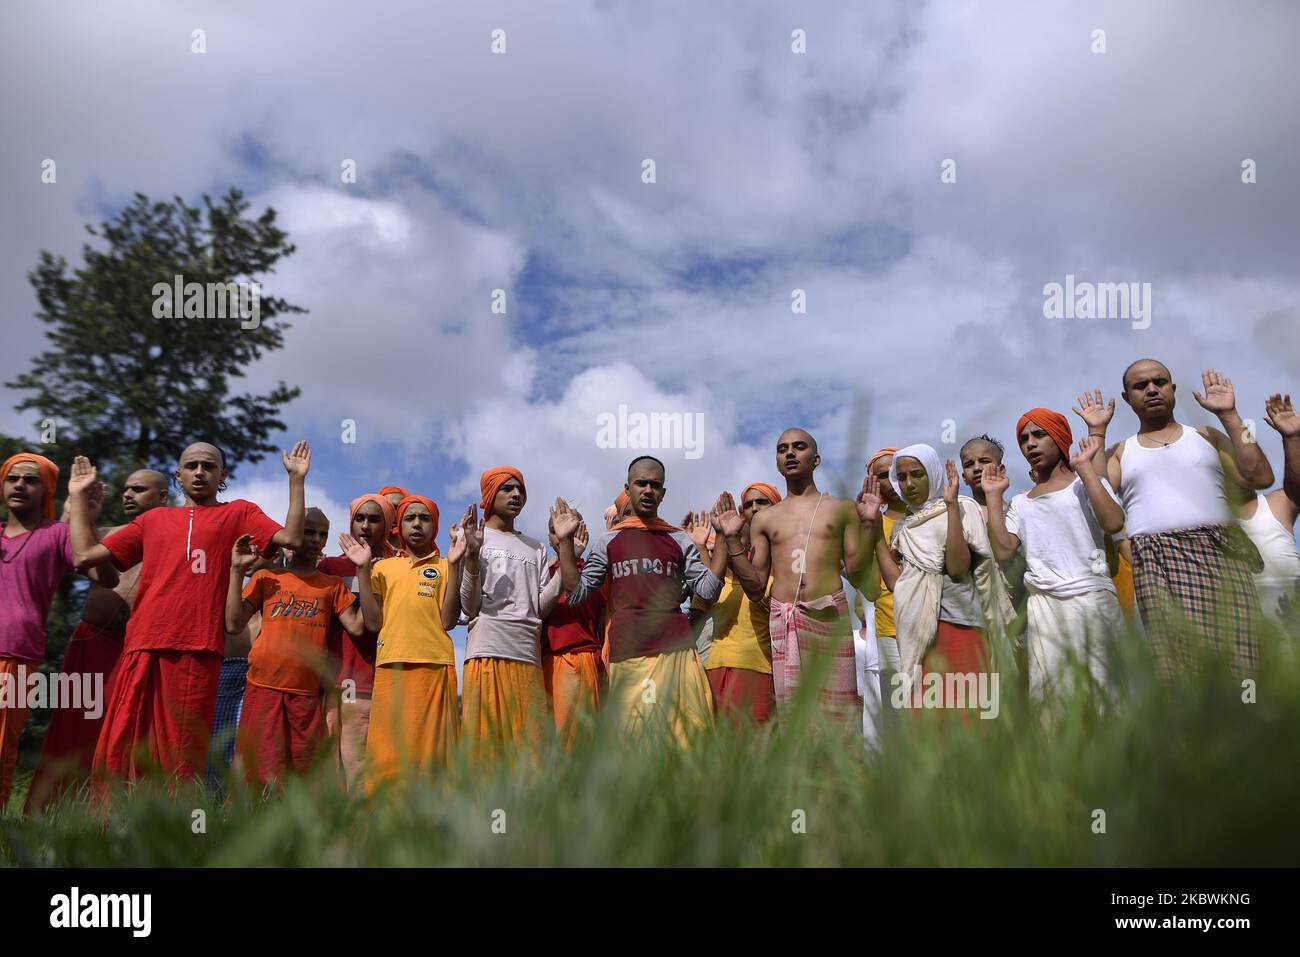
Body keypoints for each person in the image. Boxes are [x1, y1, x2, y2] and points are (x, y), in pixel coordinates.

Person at [66, 442, 308, 786]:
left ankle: (178, 830)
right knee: (124, 743)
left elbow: (293, 539)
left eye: (208, 466)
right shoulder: (152, 519)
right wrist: (78, 497)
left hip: (198, 647)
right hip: (142, 644)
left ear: (222, 475)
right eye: (191, 466)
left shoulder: (239, 512)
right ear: (177, 476)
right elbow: (84, 556)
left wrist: (296, 481)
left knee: (181, 751)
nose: (199, 472)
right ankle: (112, 829)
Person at [1105, 363, 1271, 678]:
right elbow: (1098, 507)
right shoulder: (1120, 452)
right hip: (1157, 563)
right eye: (1141, 386)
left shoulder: (1208, 436)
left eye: (1160, 382)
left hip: (1221, 556)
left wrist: (1230, 416)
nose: (1152, 389)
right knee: (1177, 667)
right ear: (1128, 398)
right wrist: (1096, 435)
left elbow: (1260, 476)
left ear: (1173, 389)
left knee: (1242, 658)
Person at [551, 456, 726, 747]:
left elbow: (707, 590)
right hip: (629, 656)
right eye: (641, 483)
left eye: (655, 485)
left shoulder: (678, 540)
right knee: (635, 743)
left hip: (677, 653)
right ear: (628, 488)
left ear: (663, 493)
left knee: (687, 741)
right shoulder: (608, 542)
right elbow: (577, 594)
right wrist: (566, 544)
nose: (647, 490)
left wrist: (722, 537)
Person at [718, 429, 880, 729]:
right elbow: (755, 588)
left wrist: (869, 524)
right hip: (785, 619)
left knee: (839, 717)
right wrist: (732, 541)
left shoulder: (841, 509)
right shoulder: (765, 519)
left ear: (816, 459)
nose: (790, 453)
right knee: (796, 721)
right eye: (782, 449)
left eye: (799, 447)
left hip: (829, 617)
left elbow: (858, 574)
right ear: (777, 462)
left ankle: (840, 777)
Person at [26, 469, 168, 811]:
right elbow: (66, 546)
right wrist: (79, 507)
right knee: (75, 725)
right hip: (91, 642)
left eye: (139, 489)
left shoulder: (175, 537)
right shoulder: (106, 535)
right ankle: (50, 811)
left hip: (137, 647)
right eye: (125, 489)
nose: (128, 494)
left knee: (127, 730)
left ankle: (109, 813)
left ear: (162, 496)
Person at [983, 409, 1126, 706]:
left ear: (1060, 437)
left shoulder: (1084, 484)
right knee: (1052, 698)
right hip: (1044, 607)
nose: (1030, 444)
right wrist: (994, 496)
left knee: (1105, 690)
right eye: (1024, 439)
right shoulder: (1022, 503)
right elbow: (1003, 550)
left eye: (1039, 434)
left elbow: (1113, 523)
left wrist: (1086, 470)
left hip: (1092, 600)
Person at [1, 453, 116, 809]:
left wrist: (81, 511)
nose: (20, 484)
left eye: (31, 480)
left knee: (1, 746)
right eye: (12, 478)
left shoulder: (57, 535)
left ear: (47, 490)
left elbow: (106, 576)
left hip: (14, 657)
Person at [228, 509, 363, 787]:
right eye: (308, 531)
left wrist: (366, 570)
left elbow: (358, 627)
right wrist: (235, 571)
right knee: (256, 770)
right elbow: (233, 623)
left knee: (301, 772)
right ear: (292, 536)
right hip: (263, 683)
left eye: (322, 534)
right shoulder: (267, 578)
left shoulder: (331, 586)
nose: (315, 539)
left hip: (306, 691)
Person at [343, 495, 467, 792]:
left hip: (435, 665)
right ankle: (385, 818)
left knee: (434, 750)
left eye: (424, 518)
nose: (417, 524)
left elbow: (448, 620)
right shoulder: (383, 568)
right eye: (410, 518)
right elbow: (373, 623)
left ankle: (435, 822)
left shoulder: (444, 565)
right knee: (389, 749)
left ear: (434, 526)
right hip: (391, 664)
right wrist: (362, 569)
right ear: (398, 526)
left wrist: (457, 565)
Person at [876, 445, 1011, 716]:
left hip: (963, 626)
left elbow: (958, 568)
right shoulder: (904, 527)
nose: (909, 484)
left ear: (933, 474)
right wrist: (874, 531)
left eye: (917, 474)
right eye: (901, 478)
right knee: (928, 721)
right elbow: (897, 584)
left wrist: (950, 508)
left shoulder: (963, 507)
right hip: (919, 634)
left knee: (969, 717)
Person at [460, 467, 560, 764]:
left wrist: (567, 555)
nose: (516, 495)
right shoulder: (476, 538)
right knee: (485, 749)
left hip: (527, 657)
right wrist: (471, 557)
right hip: (486, 652)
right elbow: (469, 607)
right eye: (507, 489)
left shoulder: (536, 547)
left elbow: (539, 607)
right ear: (489, 495)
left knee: (528, 751)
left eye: (520, 489)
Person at [317, 493, 395, 791]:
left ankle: (361, 836)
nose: (365, 525)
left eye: (375, 519)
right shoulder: (330, 568)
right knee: (325, 771)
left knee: (358, 768)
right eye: (359, 518)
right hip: (327, 682)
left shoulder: (395, 568)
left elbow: (372, 626)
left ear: (388, 525)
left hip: (368, 681)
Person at [689, 482, 780, 726]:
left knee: (753, 746)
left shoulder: (776, 577)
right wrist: (700, 545)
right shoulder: (717, 583)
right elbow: (695, 619)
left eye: (762, 502)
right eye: (748, 504)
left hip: (758, 667)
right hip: (714, 666)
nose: (755, 509)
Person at [1229, 393, 1300, 622]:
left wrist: (1291, 438)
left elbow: (1297, 490)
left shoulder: (1274, 503)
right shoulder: (1207, 519)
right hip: (1241, 618)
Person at [540, 515, 602, 747]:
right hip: (548, 661)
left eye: (571, 527)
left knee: (583, 741)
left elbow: (603, 621)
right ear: (549, 537)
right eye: (555, 530)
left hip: (586, 658)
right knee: (551, 739)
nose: (563, 533)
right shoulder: (543, 572)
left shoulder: (594, 572)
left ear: (582, 530)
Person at [866, 448, 904, 722]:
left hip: (935, 623)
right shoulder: (871, 524)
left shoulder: (933, 513)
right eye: (882, 475)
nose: (890, 480)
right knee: (897, 716)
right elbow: (866, 585)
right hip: (889, 627)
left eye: (895, 472)